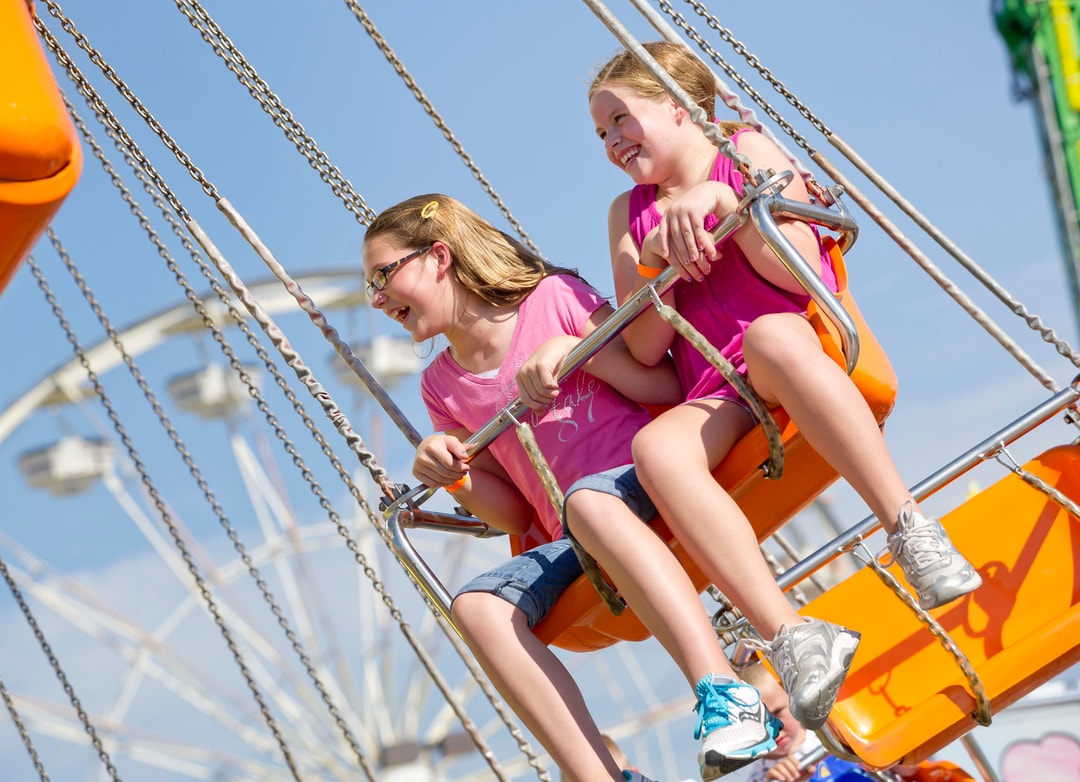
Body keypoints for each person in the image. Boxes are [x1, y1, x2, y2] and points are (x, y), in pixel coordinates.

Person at [585, 38, 982, 744]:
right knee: (657, 448)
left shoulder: (746, 148)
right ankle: (793, 637)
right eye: (601, 131)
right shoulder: (628, 213)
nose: (613, 140)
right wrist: (657, 257)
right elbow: (645, 344)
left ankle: (909, 527)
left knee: (769, 338)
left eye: (621, 118)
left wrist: (721, 198)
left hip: (793, 335)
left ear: (678, 106)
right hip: (717, 384)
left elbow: (796, 276)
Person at [363, 193, 781, 782]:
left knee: (589, 501)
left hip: (649, 475)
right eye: (370, 288)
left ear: (438, 257)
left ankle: (723, 691)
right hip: (574, 530)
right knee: (476, 608)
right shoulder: (441, 386)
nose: (377, 298)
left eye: (383, 276)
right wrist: (455, 475)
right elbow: (512, 513)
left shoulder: (552, 298)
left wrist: (574, 354)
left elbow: (662, 384)